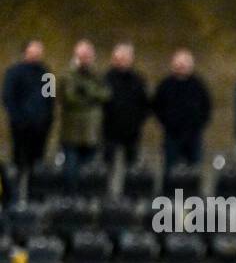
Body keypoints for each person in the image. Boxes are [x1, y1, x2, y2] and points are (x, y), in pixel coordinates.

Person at [58, 39, 112, 193]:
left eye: (88, 56)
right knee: (70, 168)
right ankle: (70, 196)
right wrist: (92, 98)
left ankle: (84, 197)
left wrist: (86, 90)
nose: (85, 59)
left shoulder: (97, 75)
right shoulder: (67, 75)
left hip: (92, 131)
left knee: (88, 169)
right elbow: (70, 98)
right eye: (82, 56)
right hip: (71, 131)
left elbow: (106, 95)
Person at [2, 40, 54, 193]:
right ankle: (17, 191)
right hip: (20, 125)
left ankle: (32, 190)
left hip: (40, 126)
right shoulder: (14, 72)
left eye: (39, 51)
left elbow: (50, 99)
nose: (36, 54)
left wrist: (47, 119)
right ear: (25, 52)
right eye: (33, 51)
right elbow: (8, 97)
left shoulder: (46, 73)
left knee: (36, 160)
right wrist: (17, 118)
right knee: (19, 159)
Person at [151, 49, 212, 176]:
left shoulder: (198, 85)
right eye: (179, 62)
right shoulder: (165, 85)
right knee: (169, 172)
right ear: (173, 63)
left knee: (194, 171)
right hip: (171, 136)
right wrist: (167, 123)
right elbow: (157, 107)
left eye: (185, 62)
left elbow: (206, 107)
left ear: (191, 64)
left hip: (193, 136)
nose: (182, 65)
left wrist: (198, 124)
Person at [102, 43, 150, 174]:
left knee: (132, 168)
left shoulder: (139, 80)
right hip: (109, 131)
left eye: (125, 58)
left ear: (131, 59)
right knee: (107, 167)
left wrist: (138, 121)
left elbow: (145, 104)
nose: (122, 61)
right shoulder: (106, 79)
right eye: (119, 58)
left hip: (132, 131)